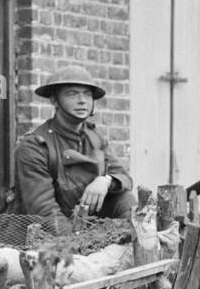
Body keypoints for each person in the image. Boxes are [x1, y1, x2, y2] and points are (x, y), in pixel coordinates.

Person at [12, 64, 136, 228]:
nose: (82, 101)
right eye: (72, 94)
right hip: (45, 238)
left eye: (87, 94)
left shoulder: (95, 137)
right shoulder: (34, 146)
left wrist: (105, 180)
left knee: (126, 199)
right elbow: (44, 211)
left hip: (87, 228)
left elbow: (125, 178)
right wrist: (77, 246)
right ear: (54, 100)